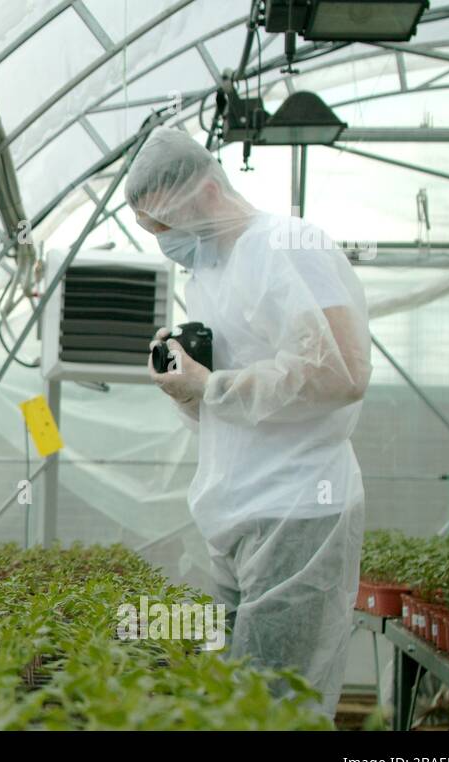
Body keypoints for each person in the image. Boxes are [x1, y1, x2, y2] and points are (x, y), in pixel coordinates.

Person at [127, 127, 372, 717]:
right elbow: (231, 406)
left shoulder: (288, 245)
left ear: (208, 191)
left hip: (297, 511)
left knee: (280, 706)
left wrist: (214, 385)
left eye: (165, 226)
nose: (165, 243)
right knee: (244, 700)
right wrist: (188, 389)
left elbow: (341, 369)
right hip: (236, 514)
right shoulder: (207, 271)